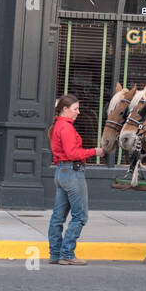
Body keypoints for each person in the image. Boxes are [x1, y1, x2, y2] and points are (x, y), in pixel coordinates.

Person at [47, 94, 103, 265]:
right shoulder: (66, 128)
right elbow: (72, 153)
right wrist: (94, 151)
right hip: (72, 172)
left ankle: (56, 254)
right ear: (65, 109)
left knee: (58, 217)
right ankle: (67, 253)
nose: (78, 112)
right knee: (80, 216)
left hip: (61, 172)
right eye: (75, 109)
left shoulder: (58, 126)